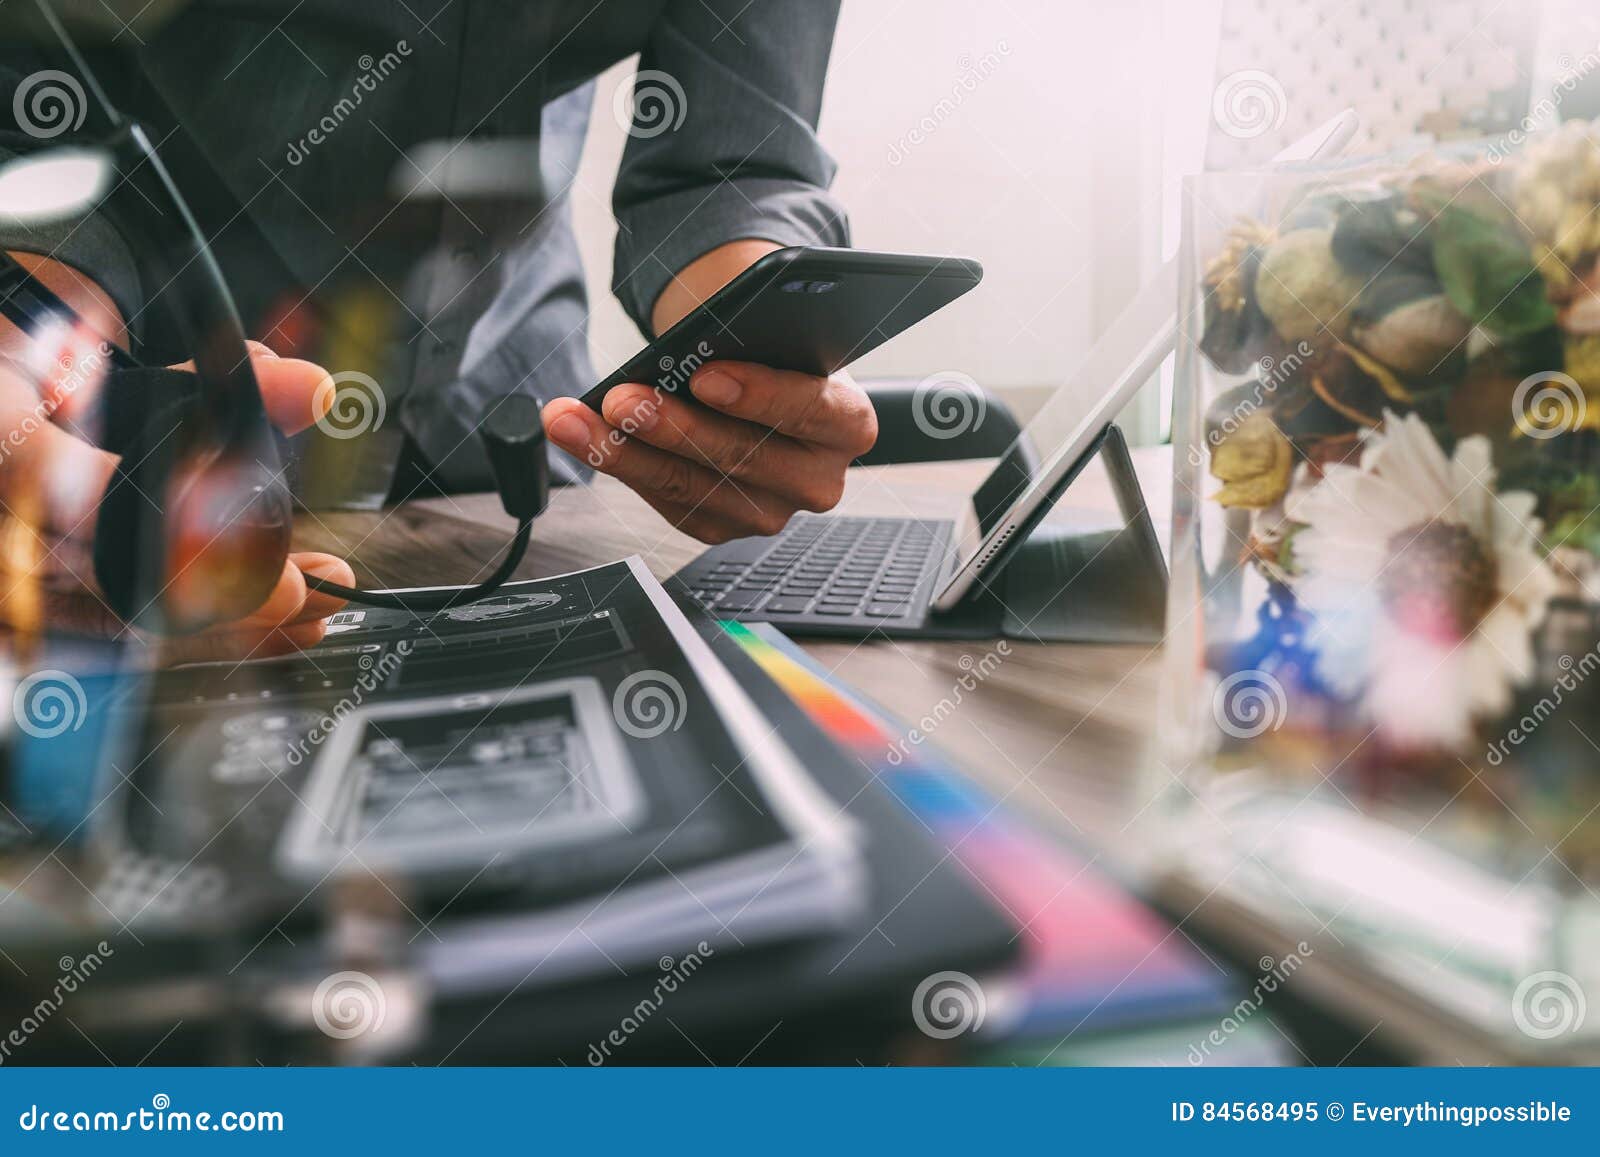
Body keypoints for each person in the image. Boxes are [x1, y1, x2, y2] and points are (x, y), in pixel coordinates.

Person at [0, 0, 875, 656]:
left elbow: (732, 159)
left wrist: (741, 359)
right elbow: (36, 103)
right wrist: (31, 352)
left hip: (514, 432)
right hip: (157, 437)